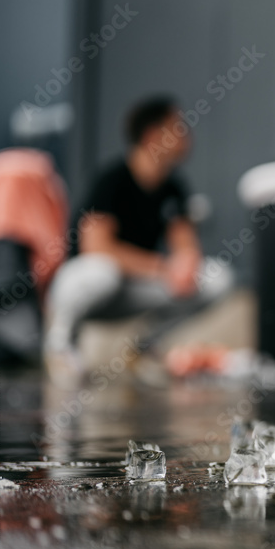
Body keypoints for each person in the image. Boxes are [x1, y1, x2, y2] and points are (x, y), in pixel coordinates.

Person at [44, 96, 231, 366]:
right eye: (177, 127)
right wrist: (161, 267)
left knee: (216, 279)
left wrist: (185, 264)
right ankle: (61, 343)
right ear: (154, 135)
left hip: (131, 290)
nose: (186, 135)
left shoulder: (174, 187)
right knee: (102, 271)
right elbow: (96, 248)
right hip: (83, 286)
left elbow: (185, 243)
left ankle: (145, 347)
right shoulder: (112, 180)